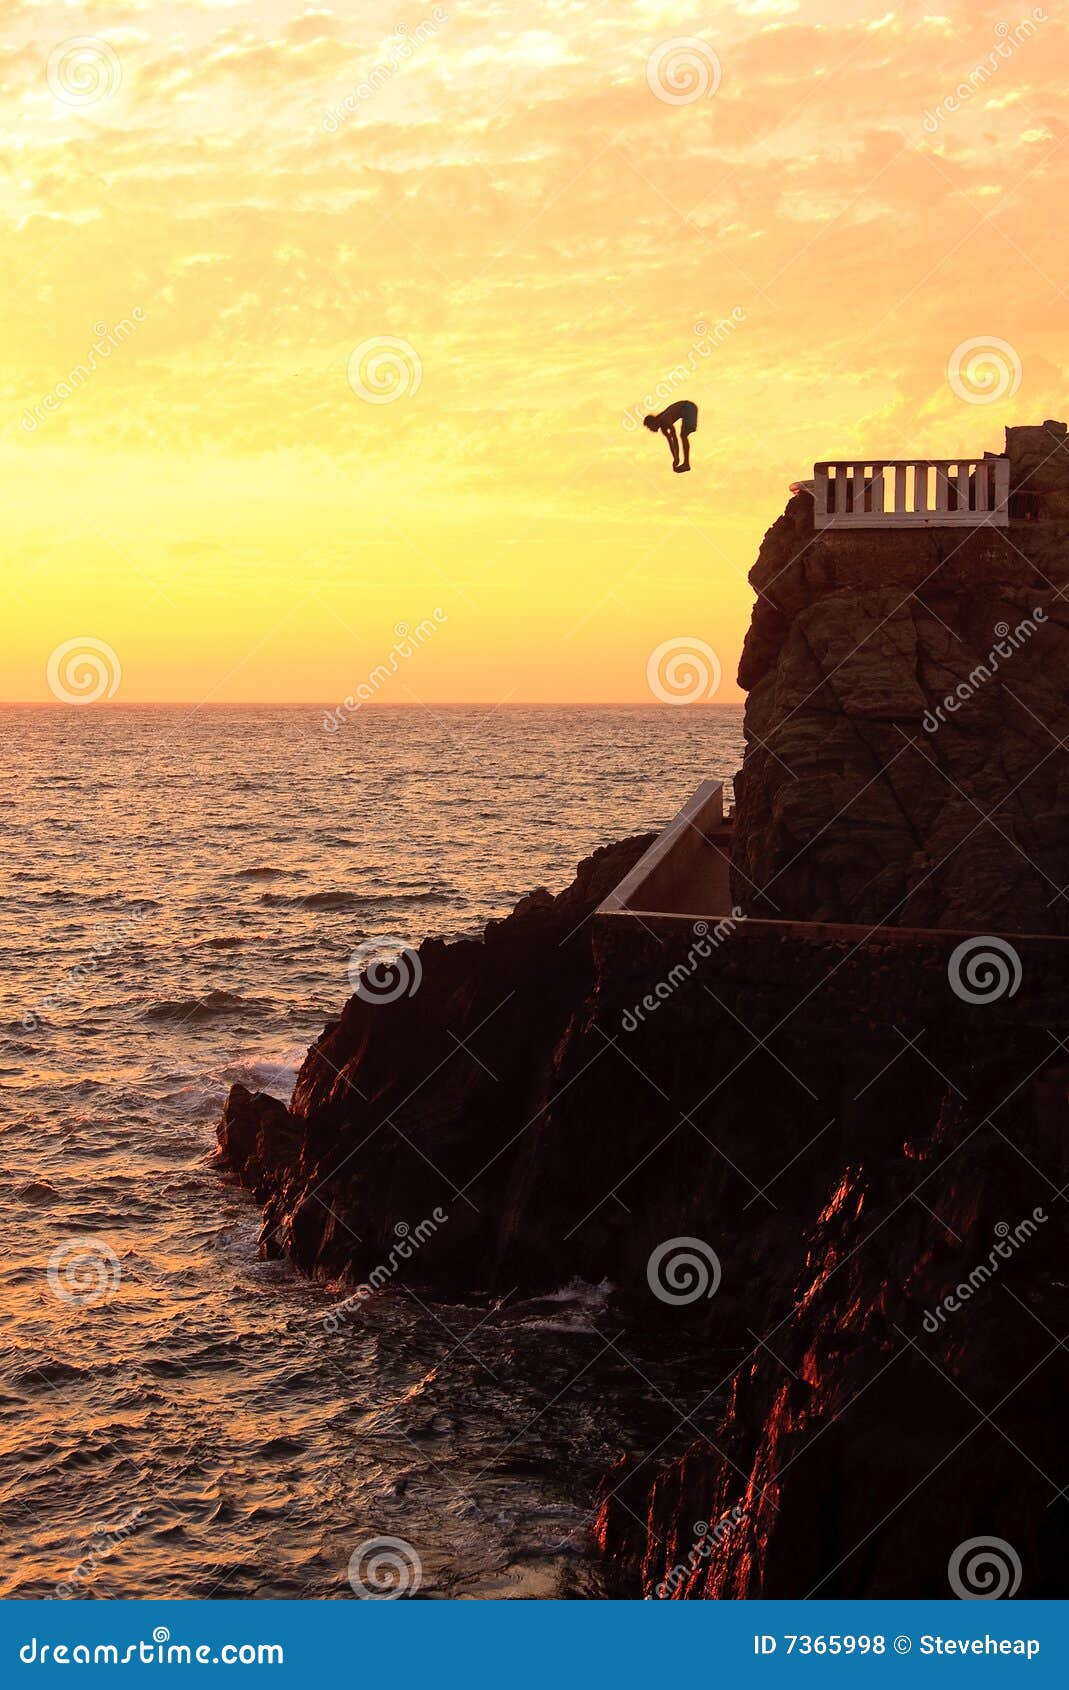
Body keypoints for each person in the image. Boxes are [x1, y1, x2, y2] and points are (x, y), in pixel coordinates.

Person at [644, 398, 699, 473]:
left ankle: (686, 463)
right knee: (683, 435)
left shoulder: (664, 419)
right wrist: (675, 458)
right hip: (686, 409)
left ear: (653, 422)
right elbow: (671, 443)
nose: (650, 430)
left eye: (649, 427)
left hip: (688, 407)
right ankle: (686, 464)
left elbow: (675, 438)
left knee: (683, 435)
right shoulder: (663, 428)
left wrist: (677, 458)